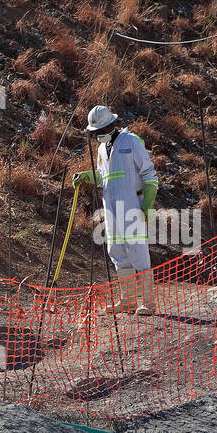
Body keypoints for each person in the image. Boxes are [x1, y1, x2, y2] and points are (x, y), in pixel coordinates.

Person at [73, 105, 160, 314]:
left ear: (112, 124)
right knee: (117, 252)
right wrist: (88, 175)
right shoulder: (102, 150)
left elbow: (150, 175)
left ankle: (148, 303)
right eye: (96, 132)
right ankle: (128, 301)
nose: (98, 135)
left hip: (132, 207)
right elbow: (106, 178)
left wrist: (147, 206)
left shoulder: (131, 142)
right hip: (110, 209)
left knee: (138, 252)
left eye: (101, 130)